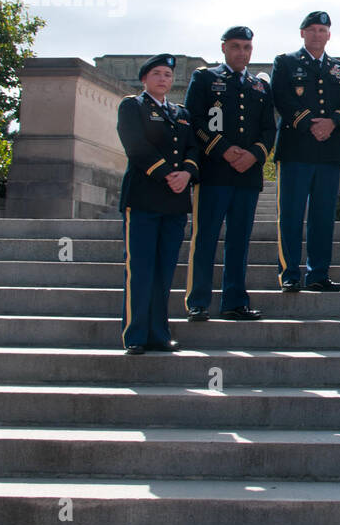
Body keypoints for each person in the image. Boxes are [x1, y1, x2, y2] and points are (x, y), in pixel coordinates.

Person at [183, 26, 275, 322]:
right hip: (214, 172)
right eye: (236, 46)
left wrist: (254, 155)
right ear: (224, 48)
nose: (242, 53)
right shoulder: (206, 78)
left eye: (247, 47)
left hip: (247, 176)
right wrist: (221, 148)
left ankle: (234, 301)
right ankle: (198, 301)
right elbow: (192, 119)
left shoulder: (260, 87)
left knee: (240, 240)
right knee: (206, 237)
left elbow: (268, 129)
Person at [116, 54, 200, 354]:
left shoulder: (181, 113)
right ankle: (135, 334)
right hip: (143, 199)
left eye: (167, 74)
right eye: (157, 74)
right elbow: (136, 146)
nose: (163, 79)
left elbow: (193, 148)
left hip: (174, 203)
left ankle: (159, 333)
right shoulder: (132, 106)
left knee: (164, 271)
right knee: (140, 269)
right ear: (144, 79)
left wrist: (187, 172)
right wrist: (168, 175)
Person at [271, 11, 340, 292]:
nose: (318, 35)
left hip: (329, 150)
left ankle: (318, 273)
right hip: (297, 148)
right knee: (292, 214)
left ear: (329, 35)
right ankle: (290, 273)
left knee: (323, 217)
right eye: (313, 30)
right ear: (302, 33)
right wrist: (309, 123)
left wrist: (333, 122)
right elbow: (281, 97)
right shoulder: (286, 63)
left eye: (323, 30)